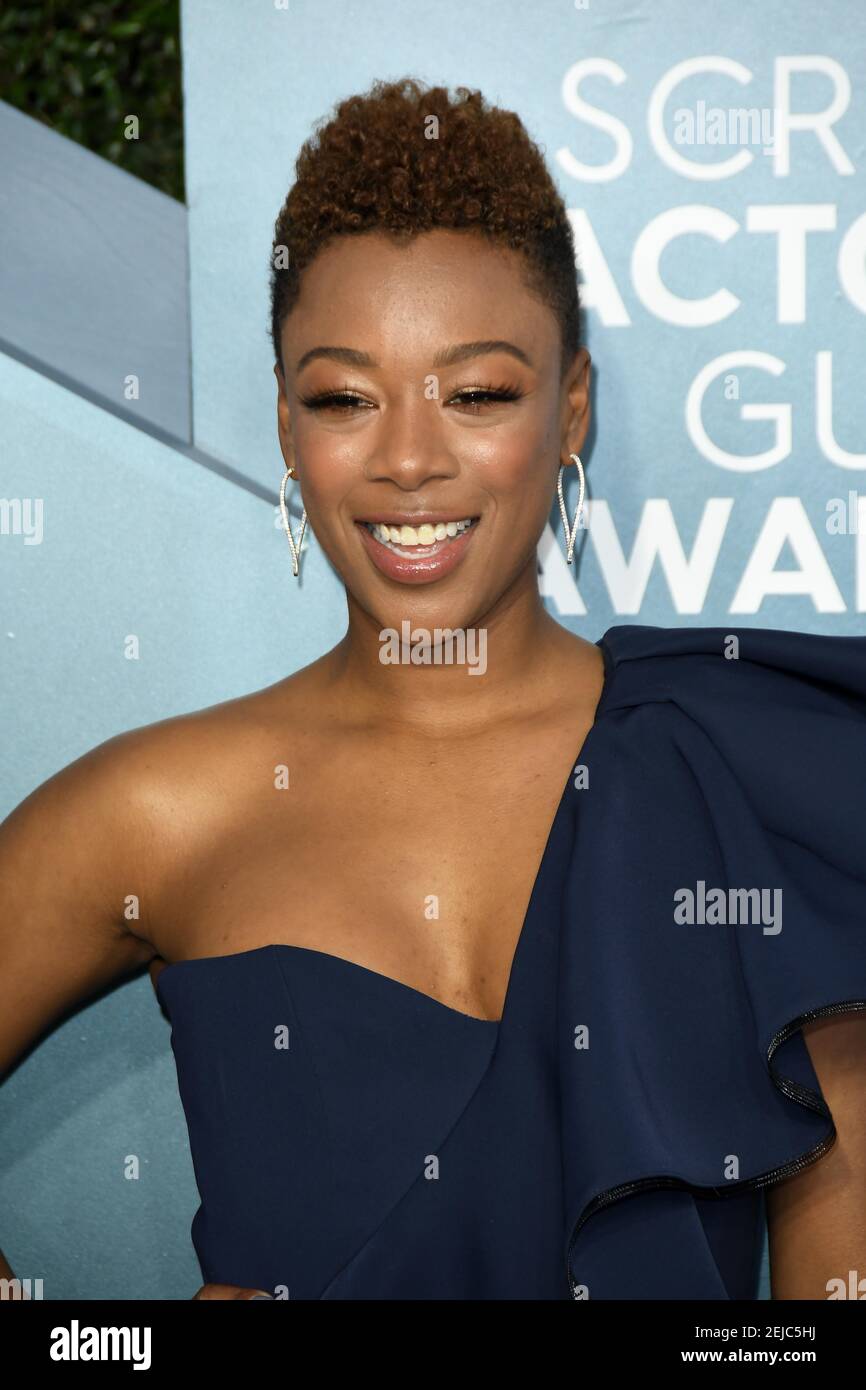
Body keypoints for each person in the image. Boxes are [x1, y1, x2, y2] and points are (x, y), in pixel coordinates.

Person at [1, 76, 865, 1302]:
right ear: (289, 430)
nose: (407, 458)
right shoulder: (159, 807)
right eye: (344, 397)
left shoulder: (734, 764)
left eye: (477, 393)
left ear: (570, 408)